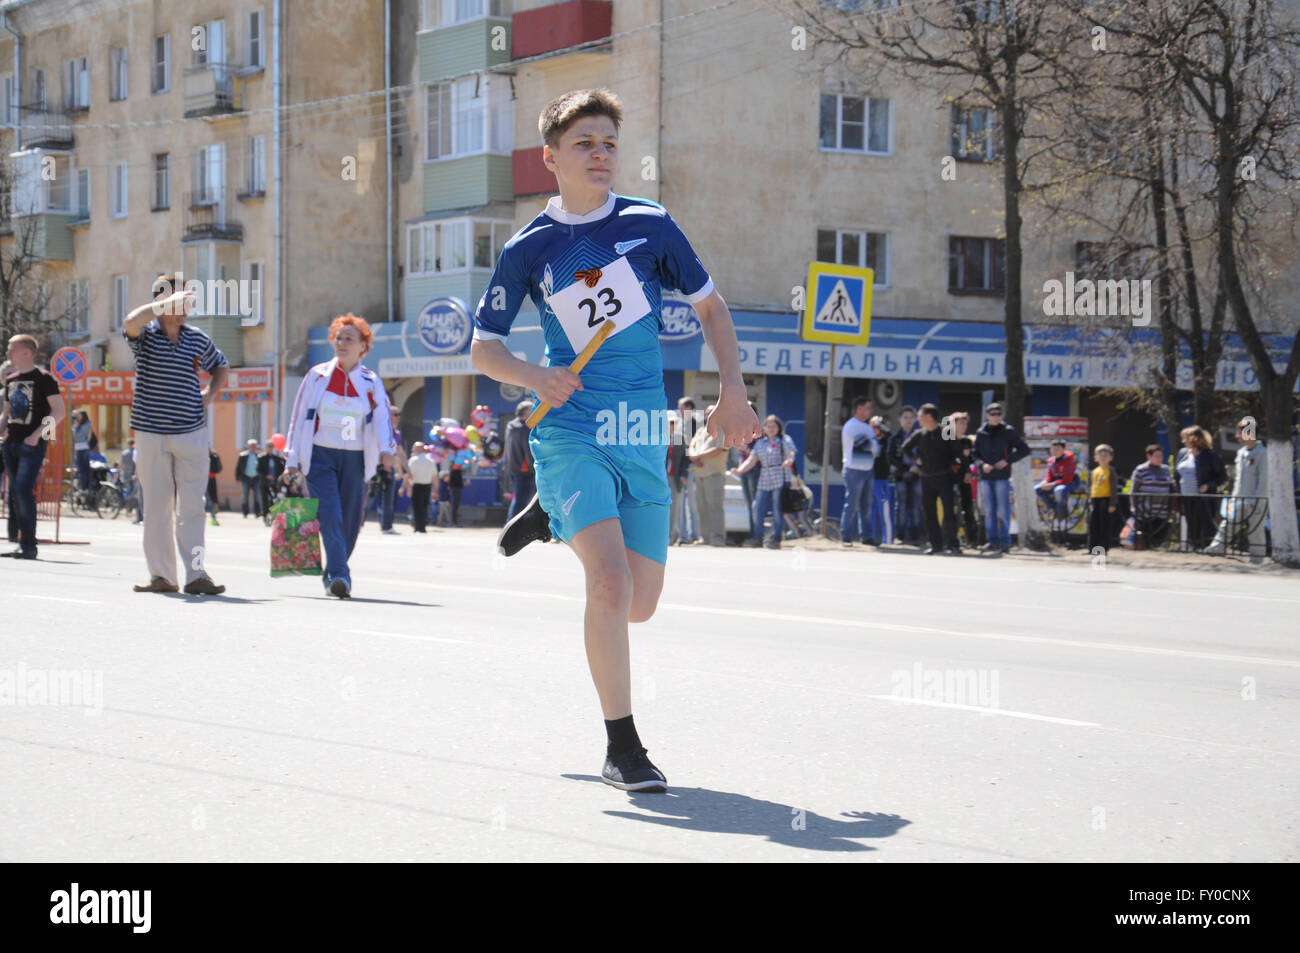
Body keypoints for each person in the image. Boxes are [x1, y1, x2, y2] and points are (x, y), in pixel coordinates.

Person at [471, 88, 759, 792]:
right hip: (570, 430)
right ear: (551, 158)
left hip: (637, 428)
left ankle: (554, 515)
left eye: (607, 143)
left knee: (640, 601)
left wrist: (734, 388)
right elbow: (485, 349)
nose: (599, 155)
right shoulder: (530, 248)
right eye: (583, 144)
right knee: (609, 581)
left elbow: (711, 309)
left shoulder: (650, 225)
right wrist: (536, 376)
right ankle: (623, 747)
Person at [123, 276, 229, 595]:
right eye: (179, 304)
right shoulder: (145, 335)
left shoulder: (196, 338)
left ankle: (196, 575)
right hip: (151, 432)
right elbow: (130, 322)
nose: (185, 311)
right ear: (161, 304)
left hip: (191, 431)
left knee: (192, 507)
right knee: (156, 506)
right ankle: (162, 577)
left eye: (187, 304)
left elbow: (221, 365)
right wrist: (161, 306)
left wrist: (210, 392)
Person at [284, 313, 397, 599]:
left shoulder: (371, 382)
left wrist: (387, 450)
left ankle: (333, 570)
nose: (342, 342)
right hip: (320, 456)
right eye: (339, 337)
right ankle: (339, 576)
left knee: (350, 521)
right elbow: (298, 418)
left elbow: (383, 417)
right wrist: (292, 459)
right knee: (330, 514)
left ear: (363, 347)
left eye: (350, 338)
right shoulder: (317, 376)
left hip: (357, 459)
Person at [0, 334, 66, 559]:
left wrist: (37, 435)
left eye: (12, 349)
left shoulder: (44, 378)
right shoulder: (11, 380)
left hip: (31, 445)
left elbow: (59, 411)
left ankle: (29, 545)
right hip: (11, 444)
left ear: (27, 352)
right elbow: (6, 414)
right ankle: (21, 542)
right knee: (16, 495)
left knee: (23, 490)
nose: (8, 353)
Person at [902, 404, 962, 555]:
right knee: (929, 513)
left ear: (929, 417)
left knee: (949, 512)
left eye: (920, 416)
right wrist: (916, 459)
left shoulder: (945, 431)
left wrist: (956, 469)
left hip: (944, 477)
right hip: (926, 478)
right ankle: (936, 545)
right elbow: (905, 448)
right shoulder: (920, 434)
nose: (918, 419)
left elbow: (957, 452)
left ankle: (952, 544)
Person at [731, 415, 797, 549]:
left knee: (777, 509)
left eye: (774, 426)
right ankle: (757, 538)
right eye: (768, 426)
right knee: (757, 506)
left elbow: (791, 453)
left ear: (779, 428)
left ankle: (776, 539)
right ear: (764, 428)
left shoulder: (784, 440)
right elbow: (751, 460)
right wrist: (739, 470)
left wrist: (789, 460)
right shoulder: (761, 443)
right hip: (765, 476)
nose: (771, 429)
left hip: (779, 475)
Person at [973, 401, 1031, 554]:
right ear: (987, 416)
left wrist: (1007, 461)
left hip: (1002, 476)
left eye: (999, 414)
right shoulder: (981, 432)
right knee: (990, 510)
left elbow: (1024, 449)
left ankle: (1005, 541)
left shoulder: (1008, 431)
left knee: (1003, 509)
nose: (996, 417)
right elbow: (975, 453)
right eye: (993, 414)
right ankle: (992, 541)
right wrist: (981, 464)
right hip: (986, 476)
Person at [1204, 419, 1267, 558]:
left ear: (1249, 432)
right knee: (1228, 524)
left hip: (1255, 501)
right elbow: (1238, 479)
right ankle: (1216, 548)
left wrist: (1256, 500)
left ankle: (1258, 556)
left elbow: (1263, 481)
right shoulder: (1241, 453)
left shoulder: (1262, 453)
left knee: (1255, 530)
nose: (1237, 436)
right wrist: (1233, 498)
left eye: (1240, 432)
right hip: (1238, 499)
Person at [1174, 425, 1226, 550]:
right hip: (1186, 496)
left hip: (1203, 497)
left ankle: (1210, 547)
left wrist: (1208, 485)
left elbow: (1222, 477)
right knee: (1191, 523)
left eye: (1185, 438)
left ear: (1194, 439)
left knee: (1206, 524)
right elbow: (1176, 474)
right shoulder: (1182, 453)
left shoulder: (1210, 455)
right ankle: (1194, 547)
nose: (1183, 442)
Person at [687, 401, 728, 546]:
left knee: (715, 507)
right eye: (707, 413)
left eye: (711, 413)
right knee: (701, 507)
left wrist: (698, 456)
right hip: (700, 474)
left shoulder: (723, 430)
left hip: (714, 474)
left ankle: (718, 538)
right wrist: (694, 455)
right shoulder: (700, 430)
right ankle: (704, 537)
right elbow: (691, 446)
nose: (708, 415)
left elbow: (718, 450)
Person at [839, 396, 877, 548]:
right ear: (859, 409)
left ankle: (866, 537)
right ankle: (846, 537)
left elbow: (876, 449)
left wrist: (872, 442)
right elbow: (867, 446)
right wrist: (872, 442)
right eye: (868, 408)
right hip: (853, 471)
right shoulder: (851, 426)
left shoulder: (867, 427)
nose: (870, 411)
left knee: (867, 506)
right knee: (852, 505)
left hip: (868, 470)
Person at [887, 405, 922, 544]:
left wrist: (918, 467)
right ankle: (899, 536)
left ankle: (915, 536)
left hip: (917, 475)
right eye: (905, 417)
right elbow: (890, 456)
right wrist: (906, 467)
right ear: (899, 419)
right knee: (900, 506)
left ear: (915, 419)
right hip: (901, 475)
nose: (908, 420)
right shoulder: (894, 438)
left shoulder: (920, 436)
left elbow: (925, 455)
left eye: (911, 417)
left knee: (916, 506)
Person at [1129, 444, 1172, 549]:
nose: (1160, 458)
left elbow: (1171, 486)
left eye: (1161, 456)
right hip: (1145, 509)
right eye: (1157, 456)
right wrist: (1133, 506)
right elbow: (1133, 490)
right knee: (1146, 535)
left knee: (1160, 534)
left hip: (1162, 509)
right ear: (1149, 456)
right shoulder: (1141, 470)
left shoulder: (1166, 470)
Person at [502, 400, 536, 522]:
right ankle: (511, 525)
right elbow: (528, 450)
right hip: (525, 469)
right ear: (527, 413)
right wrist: (535, 467)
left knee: (519, 498)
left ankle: (511, 524)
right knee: (521, 500)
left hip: (512, 467)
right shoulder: (525, 428)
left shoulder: (511, 426)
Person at [950, 412, 978, 547]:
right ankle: (952, 537)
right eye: (960, 423)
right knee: (953, 508)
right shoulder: (948, 441)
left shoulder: (968, 441)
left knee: (968, 508)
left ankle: (971, 539)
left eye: (965, 423)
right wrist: (961, 456)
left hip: (965, 479)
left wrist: (969, 472)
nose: (964, 426)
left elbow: (971, 460)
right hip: (952, 479)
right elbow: (950, 460)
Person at [1035, 439, 1080, 525]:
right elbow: (1049, 475)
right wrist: (1045, 482)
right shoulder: (1051, 461)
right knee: (1037, 489)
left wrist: (1052, 484)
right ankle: (1053, 508)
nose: (1055, 451)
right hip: (1056, 484)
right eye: (1053, 449)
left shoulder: (1069, 461)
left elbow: (1067, 480)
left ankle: (1061, 511)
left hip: (1070, 484)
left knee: (1059, 490)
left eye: (1058, 449)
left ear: (1063, 450)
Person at [379, 405, 407, 535]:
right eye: (395, 414)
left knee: (388, 498)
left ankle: (387, 526)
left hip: (389, 468)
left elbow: (399, 453)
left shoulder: (397, 433)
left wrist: (405, 471)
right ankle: (358, 523)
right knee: (369, 497)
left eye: (398, 414)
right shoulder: (380, 428)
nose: (398, 417)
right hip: (377, 466)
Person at [677, 397, 699, 544]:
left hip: (690, 467)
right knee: (681, 504)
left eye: (682, 407)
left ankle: (694, 534)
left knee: (691, 503)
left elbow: (689, 448)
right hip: (681, 468)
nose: (679, 410)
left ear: (689, 408)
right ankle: (683, 535)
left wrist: (684, 470)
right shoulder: (680, 424)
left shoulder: (693, 424)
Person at [1087, 444, 1117, 552]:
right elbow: (1091, 487)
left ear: (1110, 457)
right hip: (1095, 499)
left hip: (1106, 499)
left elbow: (1113, 488)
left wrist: (1113, 503)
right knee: (1093, 524)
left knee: (1104, 525)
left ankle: (1103, 548)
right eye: (1100, 455)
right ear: (1095, 458)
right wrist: (1090, 501)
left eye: (1106, 455)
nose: (1103, 458)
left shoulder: (1111, 471)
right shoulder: (1094, 471)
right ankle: (1092, 548)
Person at [405, 441, 439, 533]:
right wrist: (435, 490)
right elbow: (435, 477)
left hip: (417, 486)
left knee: (417, 508)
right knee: (424, 507)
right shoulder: (431, 461)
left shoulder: (413, 460)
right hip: (427, 486)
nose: (413, 450)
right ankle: (422, 527)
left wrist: (407, 487)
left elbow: (409, 475)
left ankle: (418, 527)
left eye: (414, 448)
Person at [666, 414, 690, 545]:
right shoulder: (657, 438)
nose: (672, 425)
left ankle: (672, 536)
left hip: (675, 477)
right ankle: (663, 535)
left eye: (674, 423)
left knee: (674, 507)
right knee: (661, 508)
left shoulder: (680, 439)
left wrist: (684, 475)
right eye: (670, 423)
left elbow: (686, 459)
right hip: (661, 478)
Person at [869, 415, 892, 545]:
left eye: (876, 427)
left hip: (881, 480)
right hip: (868, 481)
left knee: (884, 513)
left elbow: (888, 433)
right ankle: (870, 538)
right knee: (869, 513)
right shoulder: (868, 440)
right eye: (872, 426)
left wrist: (879, 423)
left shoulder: (886, 440)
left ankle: (887, 540)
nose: (874, 429)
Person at [258, 439, 286, 518]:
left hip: (275, 482)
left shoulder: (277, 459)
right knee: (264, 499)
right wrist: (266, 475)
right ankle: (265, 515)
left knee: (274, 498)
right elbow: (259, 469)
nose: (270, 448)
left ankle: (274, 515)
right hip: (264, 482)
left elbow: (281, 469)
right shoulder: (261, 458)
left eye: (271, 446)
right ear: (266, 447)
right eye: (269, 446)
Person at [120, 437, 143, 524]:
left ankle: (129, 509)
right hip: (134, 474)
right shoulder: (135, 451)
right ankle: (134, 512)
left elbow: (122, 464)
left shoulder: (124, 453)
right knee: (135, 494)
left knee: (130, 493)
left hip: (127, 474)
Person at [236, 438, 261, 518]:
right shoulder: (243, 456)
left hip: (256, 478)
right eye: (251, 446)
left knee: (257, 496)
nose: (253, 447)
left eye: (254, 446)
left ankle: (257, 512)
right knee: (244, 496)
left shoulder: (258, 456)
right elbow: (238, 467)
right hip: (246, 478)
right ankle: (245, 512)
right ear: (249, 446)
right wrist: (238, 478)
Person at [72, 409, 94, 491]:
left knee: (83, 469)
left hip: (83, 448)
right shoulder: (80, 425)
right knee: (80, 469)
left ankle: (85, 487)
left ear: (83, 416)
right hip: (79, 448)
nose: (78, 417)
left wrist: (76, 426)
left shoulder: (86, 424)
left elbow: (79, 436)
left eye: (79, 415)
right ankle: (83, 487)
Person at [205, 448, 222, 526]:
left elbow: (218, 469)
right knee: (206, 498)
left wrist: (217, 457)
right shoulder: (198, 455)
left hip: (210, 479)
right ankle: (212, 515)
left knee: (211, 498)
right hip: (201, 479)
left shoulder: (213, 457)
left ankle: (213, 516)